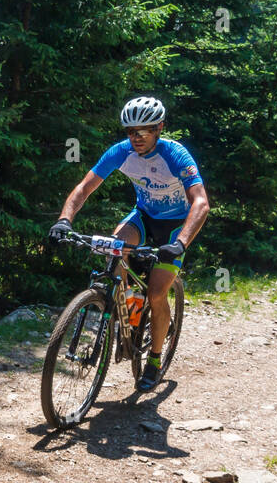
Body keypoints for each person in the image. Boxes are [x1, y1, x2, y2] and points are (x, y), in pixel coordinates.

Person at [49, 96, 209, 391]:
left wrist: (182, 243)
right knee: (115, 248)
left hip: (174, 228)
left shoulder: (176, 155)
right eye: (130, 131)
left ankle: (155, 359)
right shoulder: (121, 152)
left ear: (159, 127)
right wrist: (64, 220)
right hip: (144, 217)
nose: (135, 137)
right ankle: (127, 310)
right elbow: (84, 187)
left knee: (158, 293)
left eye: (143, 130)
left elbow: (200, 203)